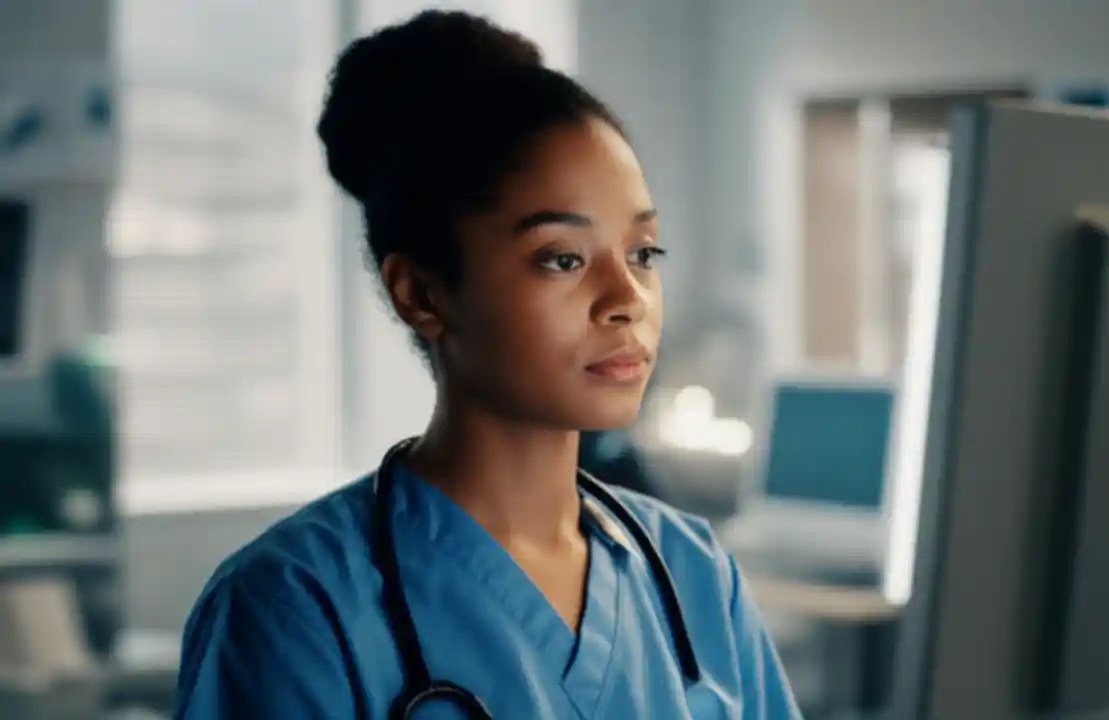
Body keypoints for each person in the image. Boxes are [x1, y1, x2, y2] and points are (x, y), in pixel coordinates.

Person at [174, 10, 800, 719]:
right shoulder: (296, 605)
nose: (627, 299)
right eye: (563, 259)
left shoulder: (693, 573)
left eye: (642, 254)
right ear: (422, 292)